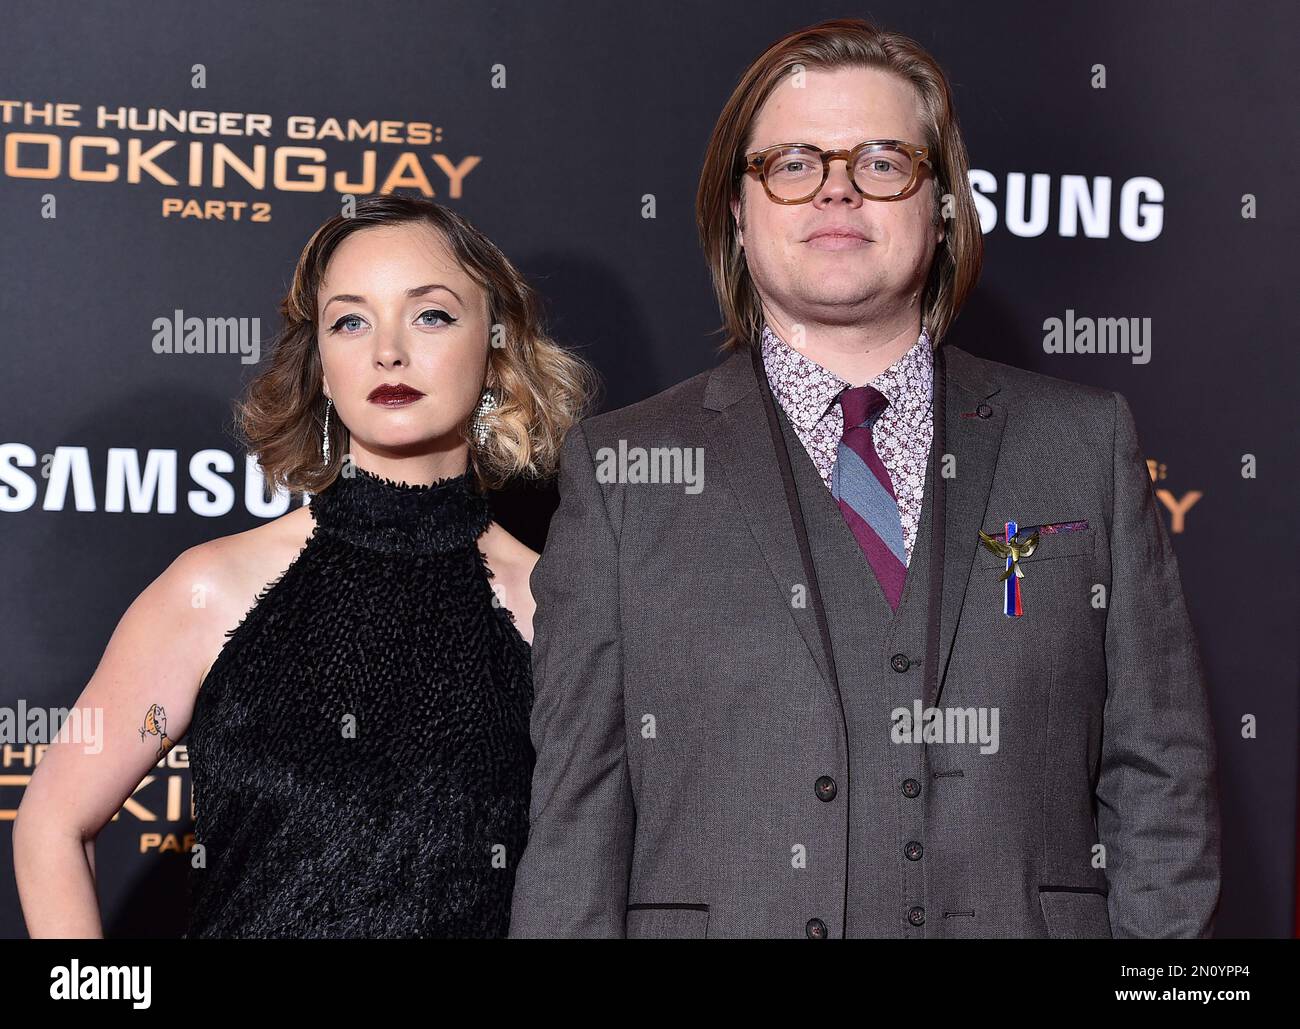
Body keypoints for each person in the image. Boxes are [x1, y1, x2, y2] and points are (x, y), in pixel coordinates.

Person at [508, 18, 1219, 938]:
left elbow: (1160, 780)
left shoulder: (1085, 443)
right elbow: (576, 822)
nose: (836, 188)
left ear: (943, 203)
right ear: (738, 205)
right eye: (794, 163)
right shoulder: (621, 473)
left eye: (882, 161)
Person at [14, 194, 595, 938]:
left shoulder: (553, 608)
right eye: (350, 320)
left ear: (497, 344)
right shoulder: (214, 590)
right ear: (320, 362)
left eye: (431, 314)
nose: (388, 350)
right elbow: (51, 825)